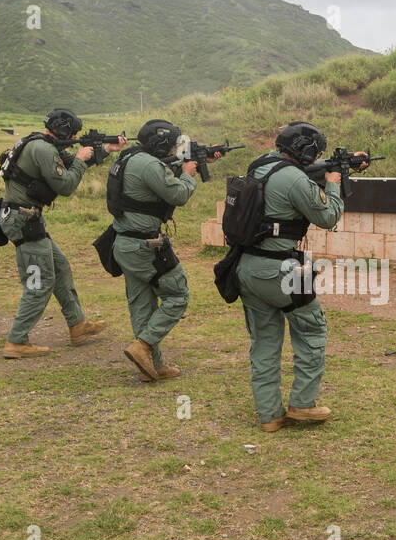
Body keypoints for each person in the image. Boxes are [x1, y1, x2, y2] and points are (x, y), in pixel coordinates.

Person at [236, 123, 345, 430]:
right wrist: (334, 183)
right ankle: (302, 404)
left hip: (247, 267)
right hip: (283, 270)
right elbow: (327, 216)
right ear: (306, 150)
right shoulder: (294, 177)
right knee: (312, 331)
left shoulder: (259, 166)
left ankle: (270, 415)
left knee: (265, 343)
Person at [0, 108, 117, 358]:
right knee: (39, 283)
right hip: (23, 220)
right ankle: (16, 341)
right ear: (63, 130)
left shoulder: (40, 143)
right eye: (73, 133)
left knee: (60, 266)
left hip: (27, 217)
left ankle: (77, 325)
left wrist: (105, 150)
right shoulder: (43, 149)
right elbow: (65, 185)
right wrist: (83, 160)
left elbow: (69, 161)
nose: (74, 137)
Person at [108, 119, 217, 381]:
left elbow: (158, 171)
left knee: (142, 304)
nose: (172, 150)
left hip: (125, 242)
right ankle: (143, 346)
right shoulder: (148, 164)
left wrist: (195, 159)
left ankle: (152, 365)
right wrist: (189, 175)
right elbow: (177, 194)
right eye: (169, 145)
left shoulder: (131, 157)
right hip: (145, 246)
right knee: (178, 295)